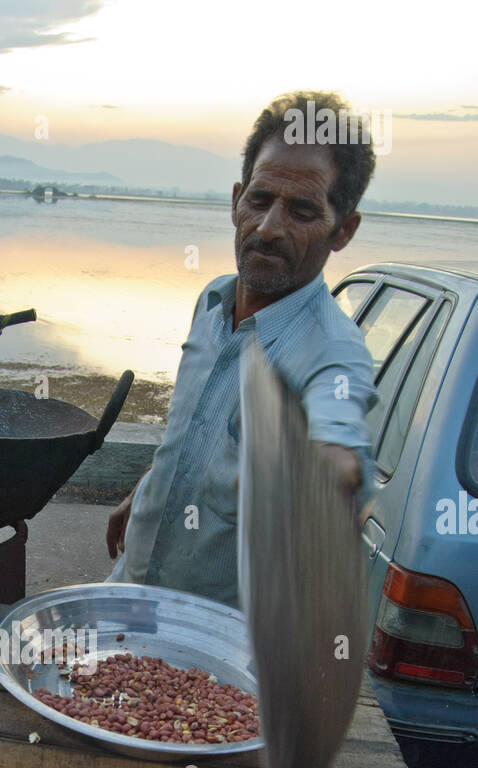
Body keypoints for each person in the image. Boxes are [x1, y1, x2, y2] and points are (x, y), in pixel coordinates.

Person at [107, 91, 378, 607]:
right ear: (236, 200)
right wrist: (142, 493)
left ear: (343, 230)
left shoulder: (334, 356)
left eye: (302, 211)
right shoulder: (212, 301)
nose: (269, 228)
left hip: (215, 643)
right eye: (259, 200)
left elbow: (340, 458)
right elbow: (192, 430)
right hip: (129, 586)